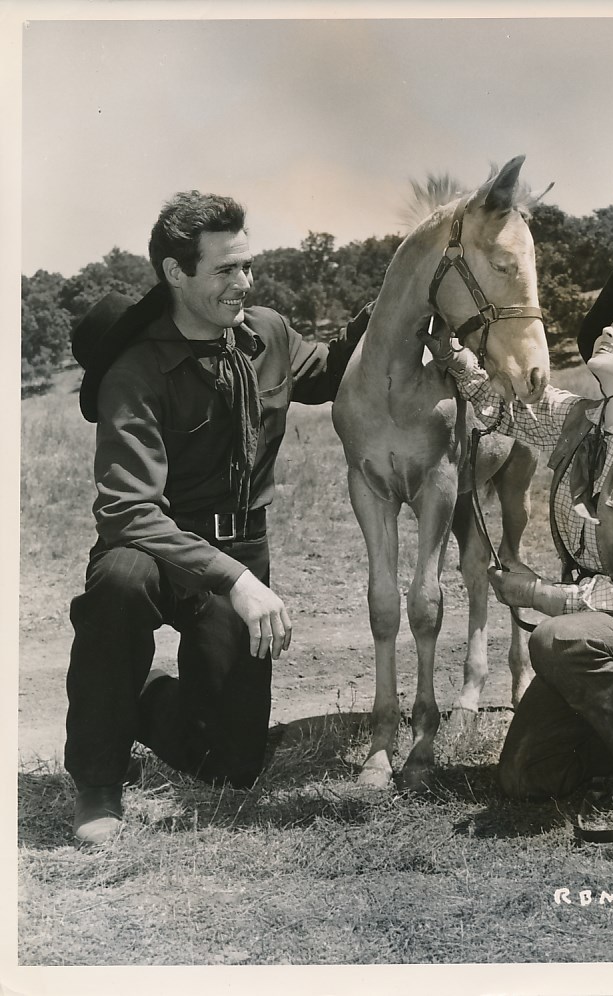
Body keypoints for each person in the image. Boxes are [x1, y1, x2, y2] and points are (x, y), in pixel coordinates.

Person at [66, 190, 366, 845]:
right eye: (226, 270)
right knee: (118, 583)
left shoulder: (268, 334)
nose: (245, 283)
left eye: (247, 267)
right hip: (155, 548)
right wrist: (238, 580)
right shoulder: (136, 370)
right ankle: (98, 779)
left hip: (240, 550)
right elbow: (127, 511)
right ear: (177, 274)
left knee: (231, 768)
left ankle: (139, 699)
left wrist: (401, 298)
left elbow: (338, 370)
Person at [419, 266, 613, 812]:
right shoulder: (582, 420)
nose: (609, 330)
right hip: (595, 630)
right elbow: (504, 410)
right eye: (611, 323)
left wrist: (538, 595)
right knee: (526, 778)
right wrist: (453, 354)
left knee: (556, 640)